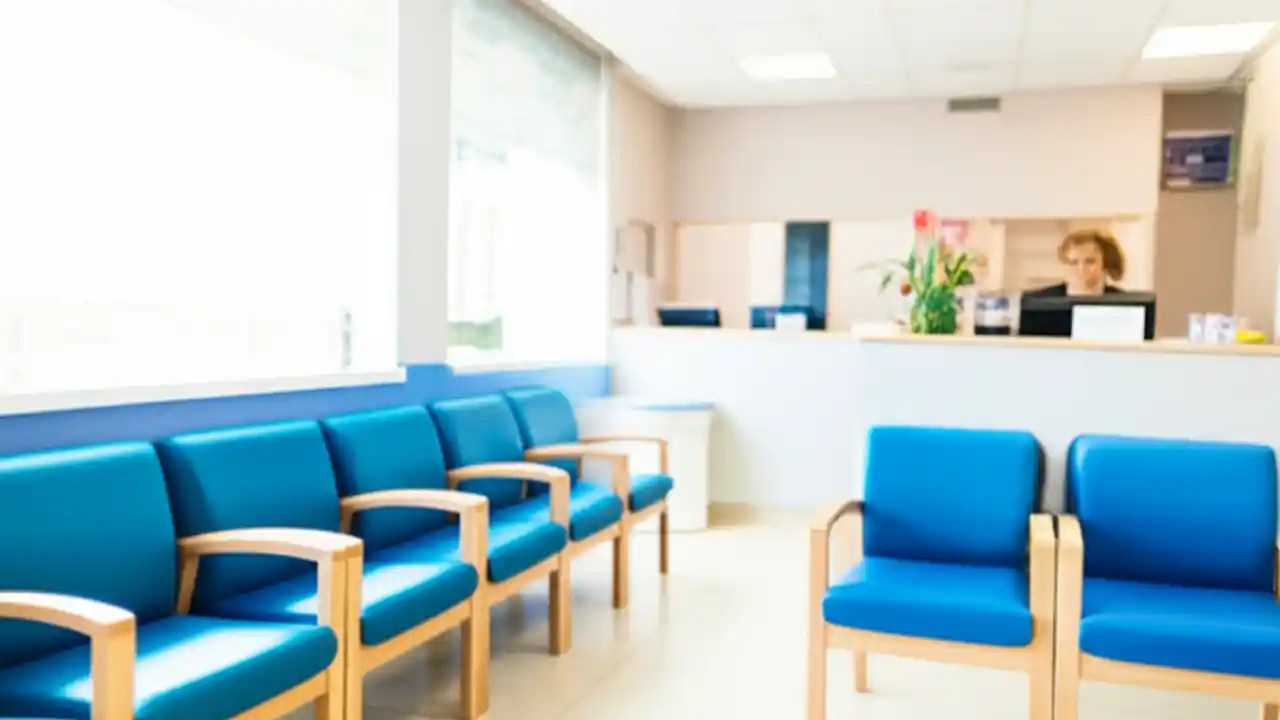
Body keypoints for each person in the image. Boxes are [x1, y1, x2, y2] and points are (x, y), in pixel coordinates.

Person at [1026, 229, 1125, 297]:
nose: (1081, 268)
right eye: (1073, 262)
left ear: (1105, 263)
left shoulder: (1124, 301)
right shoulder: (1039, 301)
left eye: (1090, 261)